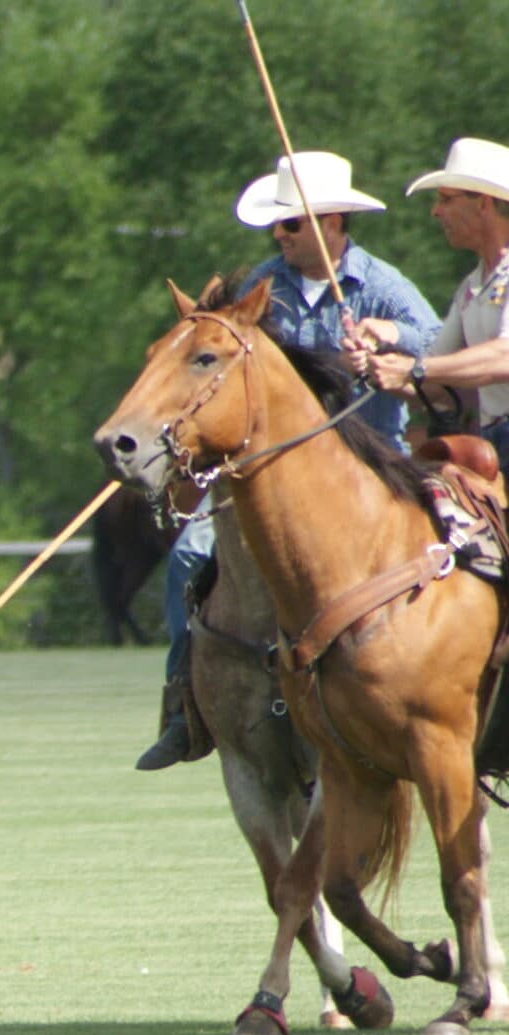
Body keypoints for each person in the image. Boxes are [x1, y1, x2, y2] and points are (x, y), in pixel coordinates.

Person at [138, 153, 437, 771]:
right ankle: (183, 702)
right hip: (272, 477)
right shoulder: (258, 293)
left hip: (369, 473)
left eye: (294, 224)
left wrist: (389, 338)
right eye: (279, 225)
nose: (282, 235)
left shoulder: (379, 284)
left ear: (333, 222)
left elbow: (437, 339)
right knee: (191, 553)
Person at [353, 137, 509, 469]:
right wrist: (378, 366)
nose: (435, 211)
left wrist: (414, 368)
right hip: (495, 444)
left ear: (483, 203)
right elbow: (436, 387)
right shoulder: (472, 286)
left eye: (445, 199)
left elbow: (504, 356)